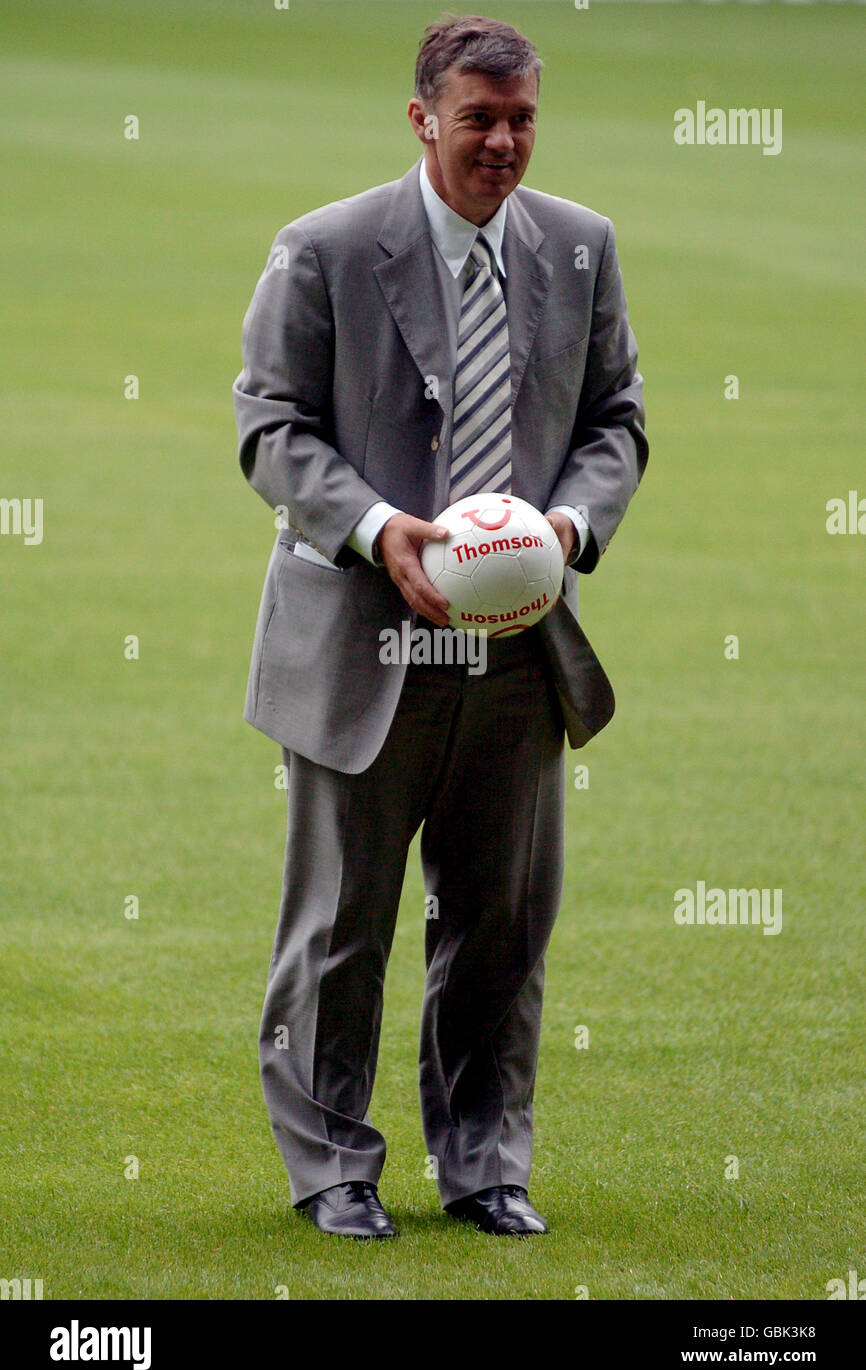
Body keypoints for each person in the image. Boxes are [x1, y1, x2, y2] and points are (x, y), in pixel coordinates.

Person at [232, 13, 647, 1239]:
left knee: (501, 922)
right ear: (423, 119)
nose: (503, 142)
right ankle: (333, 1169)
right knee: (343, 921)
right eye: (478, 118)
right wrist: (375, 530)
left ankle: (482, 1163)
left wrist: (567, 530)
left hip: (521, 644)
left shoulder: (580, 246)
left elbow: (615, 418)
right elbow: (268, 425)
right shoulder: (325, 249)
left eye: (521, 118)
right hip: (362, 639)